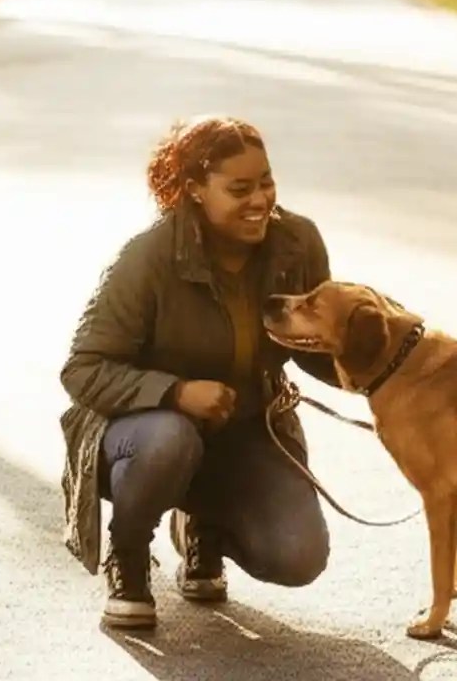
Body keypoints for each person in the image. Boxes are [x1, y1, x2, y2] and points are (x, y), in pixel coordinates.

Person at [58, 115, 343, 629]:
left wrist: (389, 364)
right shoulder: (149, 257)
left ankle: (203, 525)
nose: (260, 200)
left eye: (266, 182)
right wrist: (174, 392)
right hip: (139, 435)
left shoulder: (297, 243)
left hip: (247, 431)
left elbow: (316, 343)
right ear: (194, 190)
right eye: (239, 189)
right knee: (171, 440)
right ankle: (126, 556)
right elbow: (82, 368)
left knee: (300, 555)